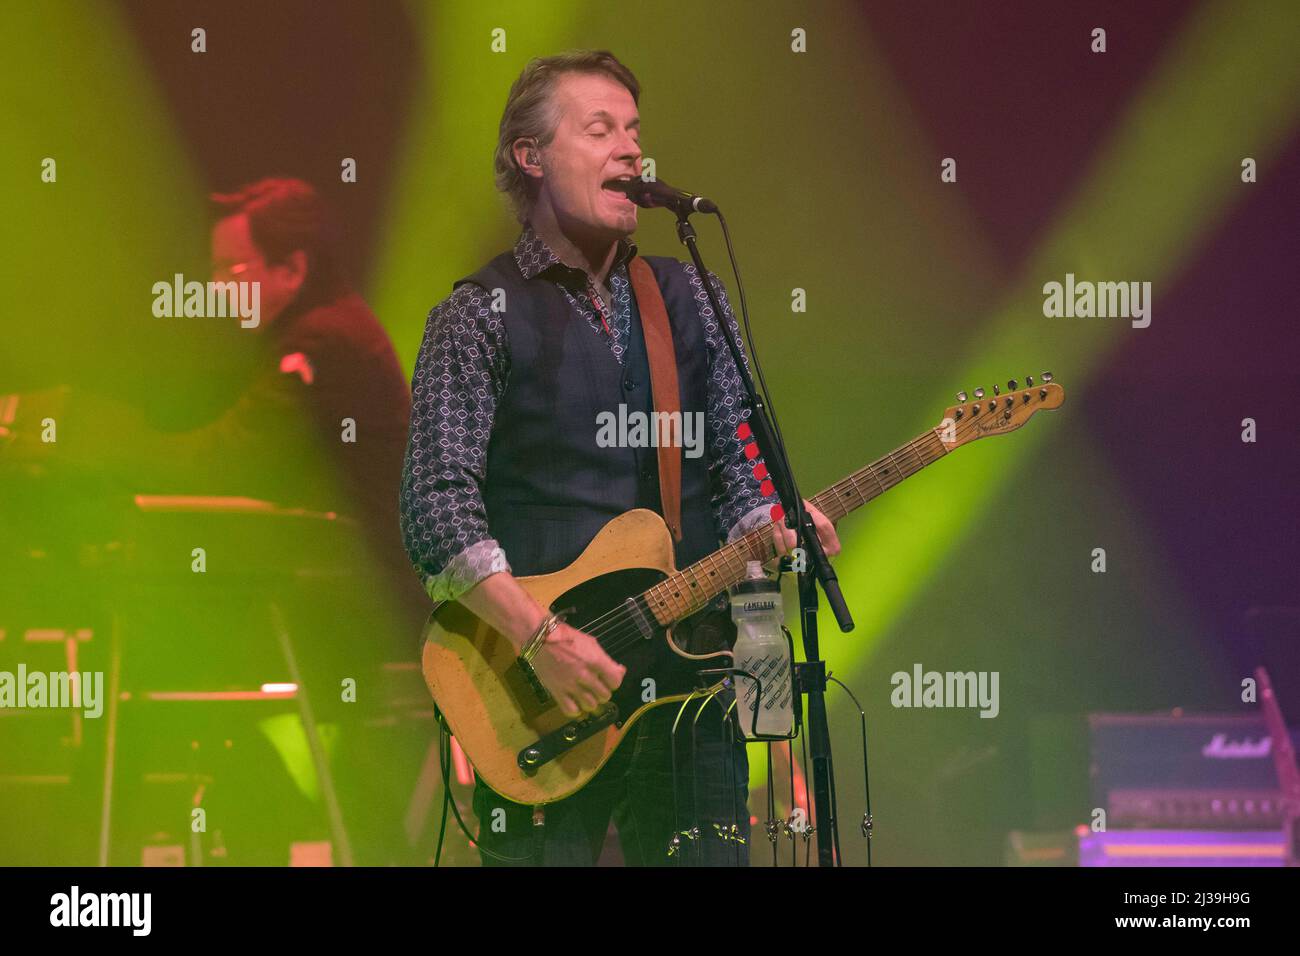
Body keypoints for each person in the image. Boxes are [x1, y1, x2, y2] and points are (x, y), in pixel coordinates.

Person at [400, 51, 840, 866]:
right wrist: (542, 640)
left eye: (634, 131)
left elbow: (739, 464)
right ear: (530, 158)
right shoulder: (477, 314)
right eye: (599, 129)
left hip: (691, 682)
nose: (631, 149)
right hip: (539, 697)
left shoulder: (691, 297)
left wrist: (772, 518)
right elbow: (437, 506)